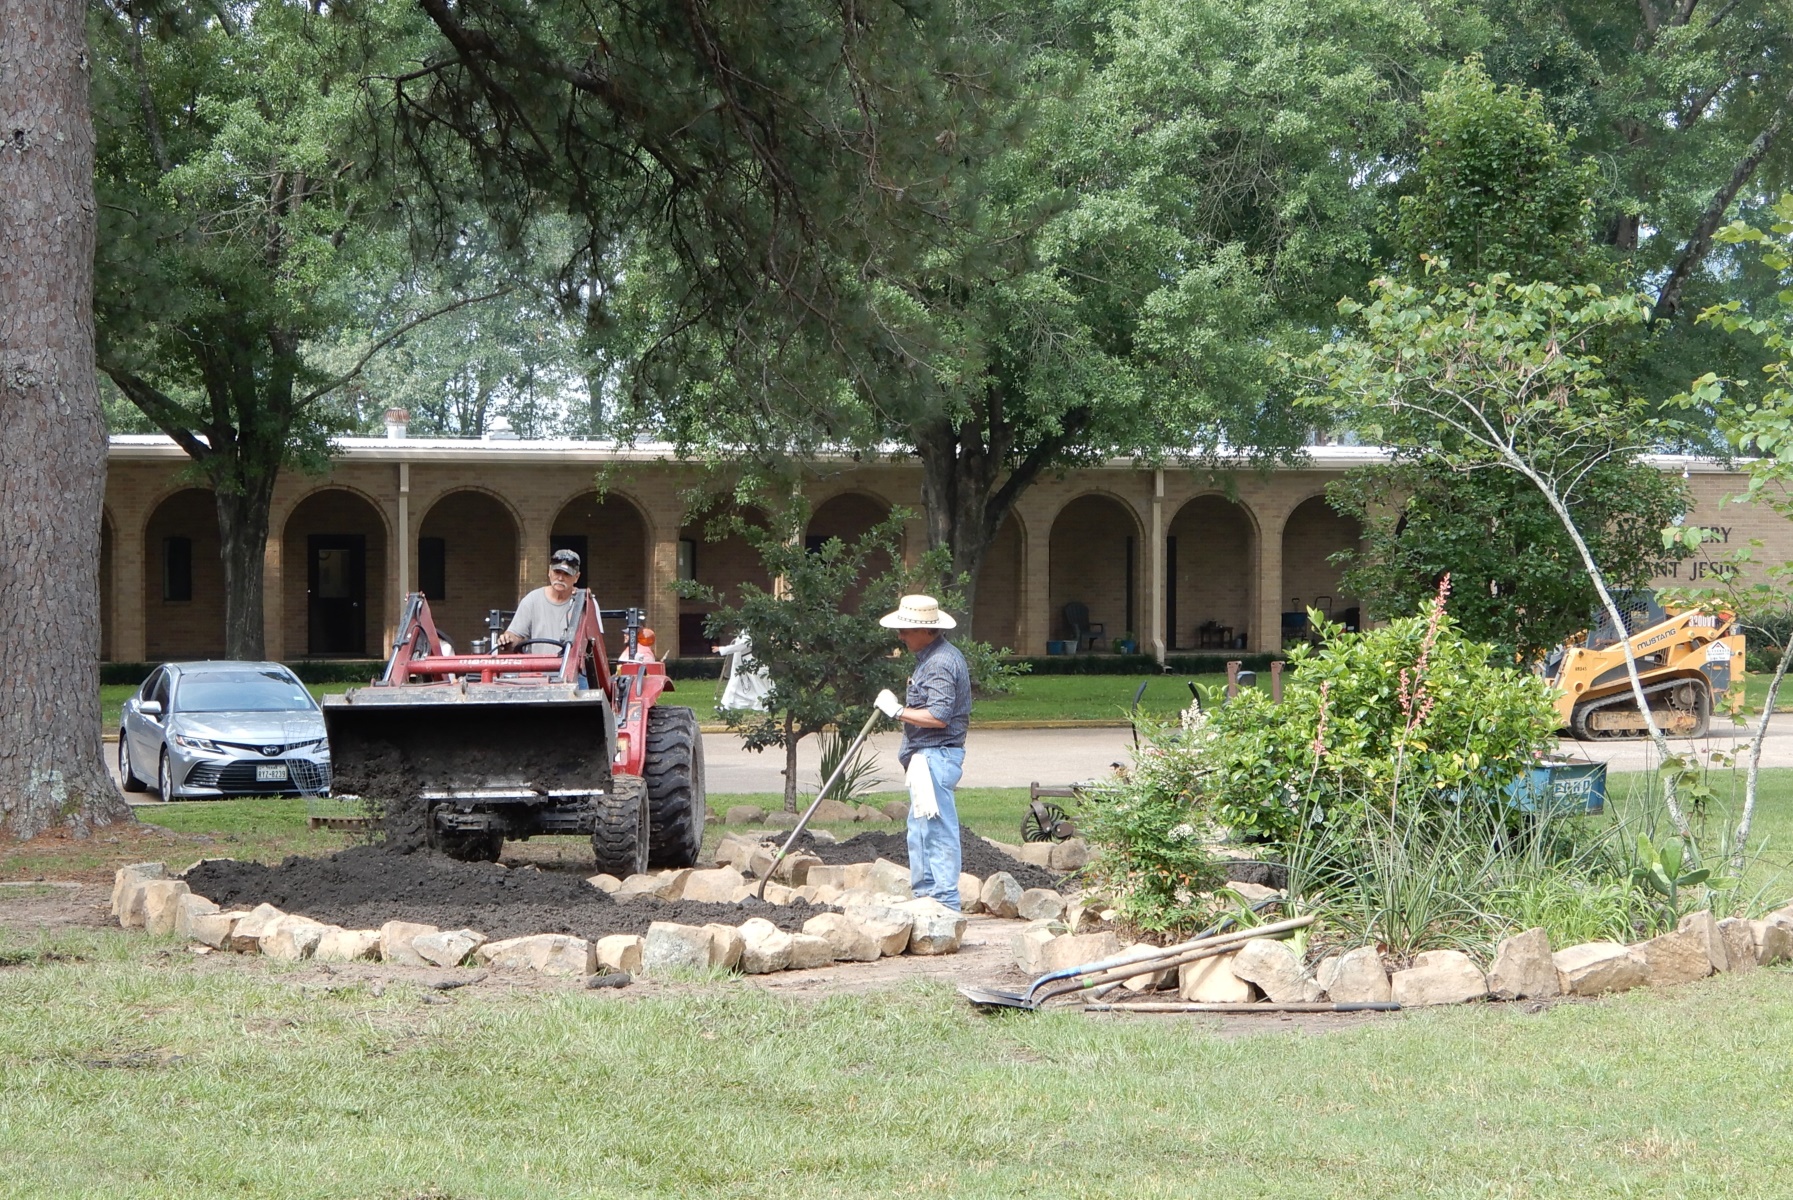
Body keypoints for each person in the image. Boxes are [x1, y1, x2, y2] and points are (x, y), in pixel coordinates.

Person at [873, 594, 971, 910]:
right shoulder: (932, 658)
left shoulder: (941, 662)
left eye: (906, 630)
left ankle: (943, 903)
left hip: (935, 756)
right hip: (927, 758)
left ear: (926, 631)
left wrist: (897, 710)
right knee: (921, 831)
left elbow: (939, 716)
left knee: (936, 831)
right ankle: (927, 899)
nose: (900, 636)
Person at [497, 548, 583, 652]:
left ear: (576, 577)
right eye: (557, 572)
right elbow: (516, 635)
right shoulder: (532, 600)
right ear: (549, 572)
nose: (560, 578)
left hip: (572, 666)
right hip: (538, 666)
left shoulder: (585, 602)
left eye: (566, 574)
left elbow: (595, 643)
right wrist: (508, 639)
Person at [714, 628, 772, 712]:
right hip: (740, 661)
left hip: (747, 662)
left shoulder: (748, 631)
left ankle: (766, 704)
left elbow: (741, 646)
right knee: (734, 684)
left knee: (757, 684)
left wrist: (722, 649)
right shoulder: (745, 630)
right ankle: (727, 706)